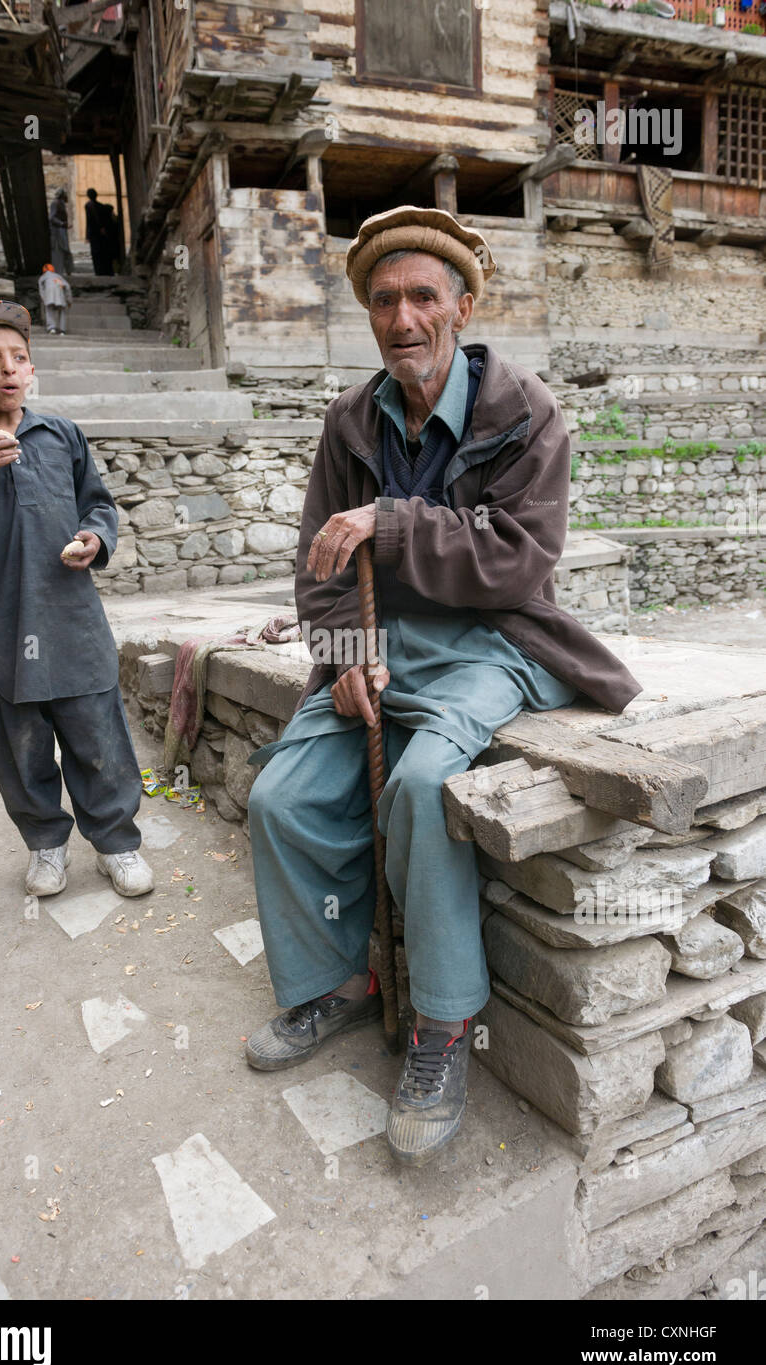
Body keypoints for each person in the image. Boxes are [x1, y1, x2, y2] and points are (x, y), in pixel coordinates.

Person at [242, 205, 643, 1168]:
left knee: (423, 787)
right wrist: (342, 656)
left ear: (463, 306)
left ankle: (441, 1027)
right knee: (278, 797)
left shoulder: (526, 413)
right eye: (384, 300)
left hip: (495, 643)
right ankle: (345, 982)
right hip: (379, 645)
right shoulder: (351, 421)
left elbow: (516, 560)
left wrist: (392, 523)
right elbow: (318, 568)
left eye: (424, 295)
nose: (403, 317)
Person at [0, 300, 154, 899]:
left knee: (98, 736)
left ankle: (117, 844)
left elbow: (99, 503)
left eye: (19, 357)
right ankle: (46, 846)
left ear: (31, 368)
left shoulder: (62, 434)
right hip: (4, 621)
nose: (8, 369)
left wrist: (93, 537)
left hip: (72, 615)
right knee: (20, 743)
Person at [84, 188, 115, 277]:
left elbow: (89, 221)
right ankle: (105, 271)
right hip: (101, 233)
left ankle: (99, 271)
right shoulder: (100, 206)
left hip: (95, 233)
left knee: (96, 253)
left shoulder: (88, 206)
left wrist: (88, 235)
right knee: (103, 252)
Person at [38, 262, 72, 335]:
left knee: (49, 311)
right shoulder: (58, 276)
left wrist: (44, 300)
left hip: (49, 296)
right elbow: (67, 287)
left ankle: (52, 328)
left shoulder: (42, 278)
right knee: (62, 312)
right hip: (60, 297)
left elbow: (41, 291)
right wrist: (69, 300)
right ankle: (62, 330)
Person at [48, 188, 73, 278]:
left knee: (65, 251)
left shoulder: (61, 204)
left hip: (62, 230)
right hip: (57, 231)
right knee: (58, 252)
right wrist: (61, 223)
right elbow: (52, 218)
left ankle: (68, 270)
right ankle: (58, 272)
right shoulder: (55, 203)